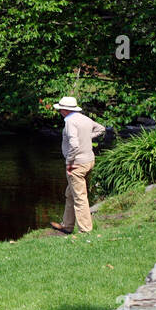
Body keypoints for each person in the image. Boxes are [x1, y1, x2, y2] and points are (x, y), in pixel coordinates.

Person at [49, 96, 107, 234]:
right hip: (89, 161)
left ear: (64, 110)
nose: (60, 112)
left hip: (77, 164)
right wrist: (87, 137)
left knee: (80, 197)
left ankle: (85, 230)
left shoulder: (70, 122)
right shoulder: (84, 118)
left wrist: (69, 161)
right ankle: (67, 225)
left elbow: (74, 145)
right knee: (70, 193)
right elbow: (101, 129)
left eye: (60, 110)